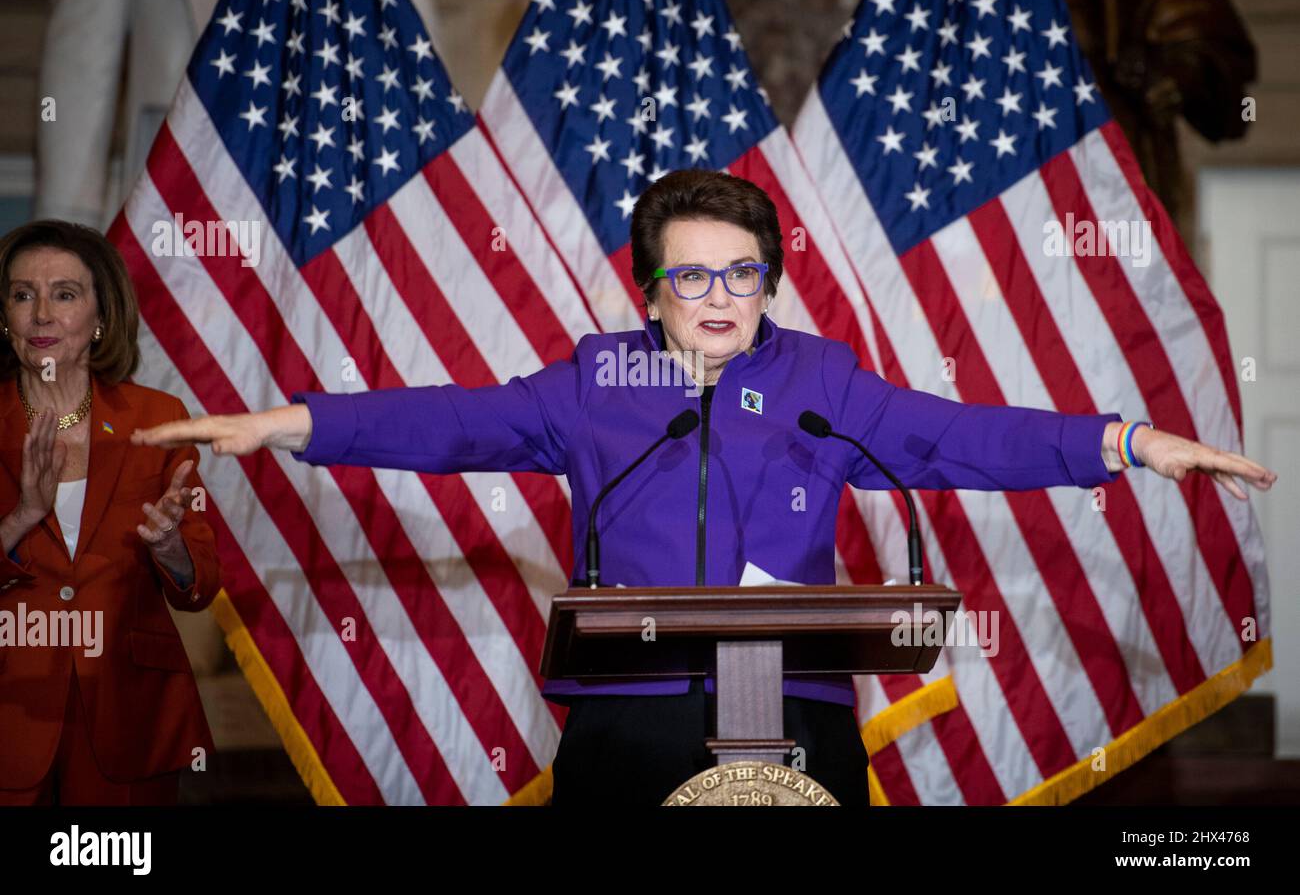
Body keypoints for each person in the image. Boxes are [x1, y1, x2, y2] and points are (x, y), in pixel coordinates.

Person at [131, 169, 1277, 806]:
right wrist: (287, 423)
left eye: (742, 272)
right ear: (649, 290)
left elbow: (958, 439)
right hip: (630, 728)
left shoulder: (822, 376)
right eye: (693, 273)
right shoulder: (595, 384)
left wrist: (1128, 442)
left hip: (797, 726)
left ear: (768, 280)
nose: (721, 293)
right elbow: (451, 418)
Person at [0, 220, 221, 805]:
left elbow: (200, 587)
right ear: (5, 318)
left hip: (129, 713)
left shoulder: (157, 417)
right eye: (23, 295)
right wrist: (22, 518)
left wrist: (170, 545)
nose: (41, 313)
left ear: (102, 318)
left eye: (64, 294)